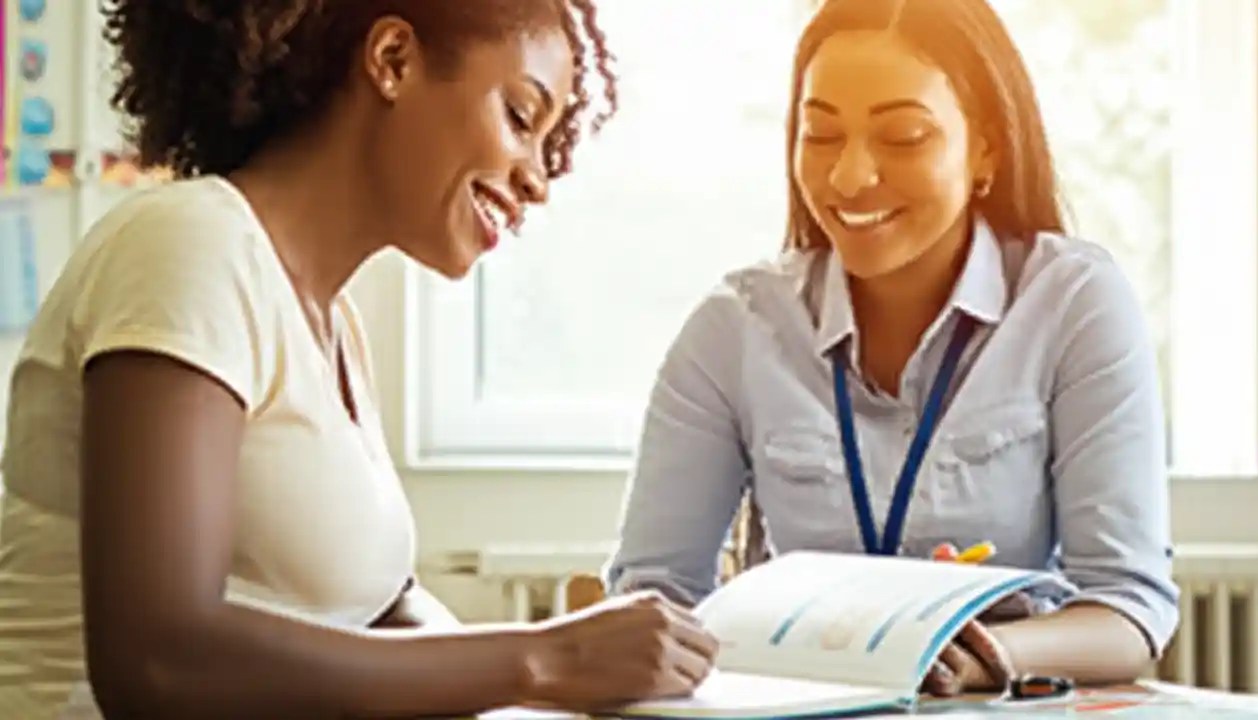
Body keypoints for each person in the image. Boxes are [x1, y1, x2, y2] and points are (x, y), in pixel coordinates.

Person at [0, 1, 719, 718]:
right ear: (393, 61)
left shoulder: (331, 324)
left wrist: (566, 684)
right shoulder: (191, 245)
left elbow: (383, 617)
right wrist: (544, 659)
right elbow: (157, 659)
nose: (537, 178)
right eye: (521, 119)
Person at [606, 0, 1177, 698]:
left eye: (903, 137)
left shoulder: (1073, 302)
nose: (849, 178)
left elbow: (1127, 611)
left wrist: (977, 653)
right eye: (819, 136)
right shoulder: (736, 327)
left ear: (987, 150)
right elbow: (651, 596)